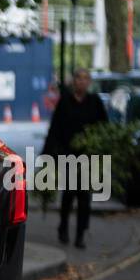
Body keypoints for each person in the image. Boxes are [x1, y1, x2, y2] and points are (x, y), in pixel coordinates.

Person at [43, 67, 107, 248]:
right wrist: (48, 154)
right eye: (79, 78)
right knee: (69, 194)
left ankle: (80, 235)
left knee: (85, 197)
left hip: (88, 155)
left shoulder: (95, 102)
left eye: (86, 79)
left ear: (89, 82)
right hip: (68, 154)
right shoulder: (65, 102)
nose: (82, 82)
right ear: (74, 82)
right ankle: (63, 227)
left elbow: (104, 127)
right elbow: (55, 128)